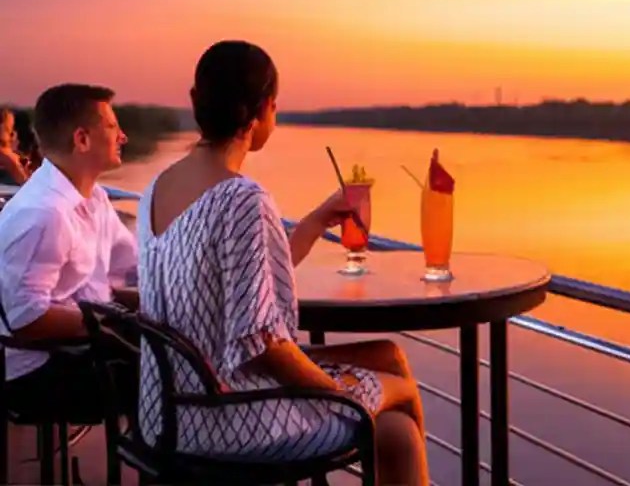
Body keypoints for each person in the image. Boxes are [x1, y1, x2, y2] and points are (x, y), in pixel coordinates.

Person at [137, 40, 427, 485]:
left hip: (169, 409)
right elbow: (265, 344)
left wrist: (314, 222)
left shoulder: (155, 189)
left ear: (196, 101)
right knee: (401, 402)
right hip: (227, 419)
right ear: (265, 110)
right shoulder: (242, 198)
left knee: (387, 355)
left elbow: (233, 282)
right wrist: (335, 391)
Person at [0, 85, 139, 417]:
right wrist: (106, 318)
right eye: (113, 127)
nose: (124, 137)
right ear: (82, 139)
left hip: (72, 346)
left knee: (172, 352)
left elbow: (135, 267)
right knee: (167, 377)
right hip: (30, 372)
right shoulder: (45, 212)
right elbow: (27, 320)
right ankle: (177, 463)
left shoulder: (94, 199)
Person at [0, 107, 30, 186]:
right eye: (7, 129)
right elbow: (25, 183)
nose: (12, 134)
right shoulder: (7, 158)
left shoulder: (14, 156)